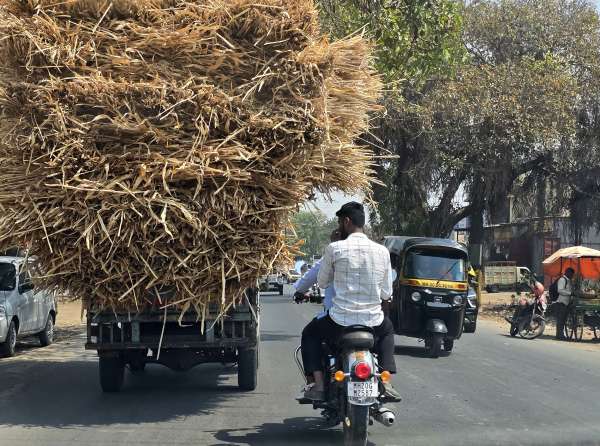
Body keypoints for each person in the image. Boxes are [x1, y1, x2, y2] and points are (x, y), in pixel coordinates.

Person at [300, 202, 400, 402]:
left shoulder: (335, 248)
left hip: (339, 323)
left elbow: (321, 282)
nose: (339, 225)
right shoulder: (382, 252)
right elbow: (386, 292)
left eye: (339, 221)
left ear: (346, 221)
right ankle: (386, 381)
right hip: (373, 322)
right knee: (388, 330)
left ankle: (319, 385)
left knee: (309, 334)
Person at [555, 267, 575, 340]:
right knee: (560, 320)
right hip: (561, 303)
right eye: (571, 274)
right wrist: (570, 293)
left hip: (566, 303)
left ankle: (560, 335)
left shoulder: (569, 280)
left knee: (563, 320)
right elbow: (560, 290)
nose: (572, 275)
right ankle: (560, 335)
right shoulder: (562, 280)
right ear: (567, 272)